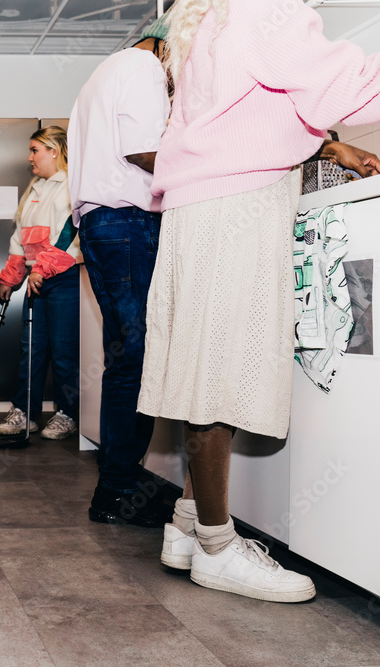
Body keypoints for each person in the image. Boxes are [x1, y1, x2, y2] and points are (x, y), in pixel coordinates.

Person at [143, 0, 380, 603]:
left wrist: (325, 146)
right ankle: (220, 549)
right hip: (236, 206)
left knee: (202, 362)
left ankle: (189, 525)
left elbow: (268, 112)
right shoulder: (265, 7)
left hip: (201, 207)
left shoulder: (213, 19)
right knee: (220, 369)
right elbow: (351, 91)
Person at [66, 16, 173, 528]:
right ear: (168, 45)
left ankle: (117, 485)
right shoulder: (146, 64)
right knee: (137, 357)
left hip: (100, 223)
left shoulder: (98, 76)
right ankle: (117, 490)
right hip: (128, 221)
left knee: (125, 357)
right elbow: (143, 150)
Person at [0, 126, 81, 441]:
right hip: (35, 279)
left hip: (63, 280)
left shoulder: (70, 186)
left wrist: (42, 270)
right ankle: (25, 413)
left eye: (35, 150)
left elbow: (68, 235)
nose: (29, 157)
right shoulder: (35, 188)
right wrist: (11, 276)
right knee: (31, 349)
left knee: (63, 351)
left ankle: (68, 413)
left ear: (54, 151)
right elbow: (21, 239)